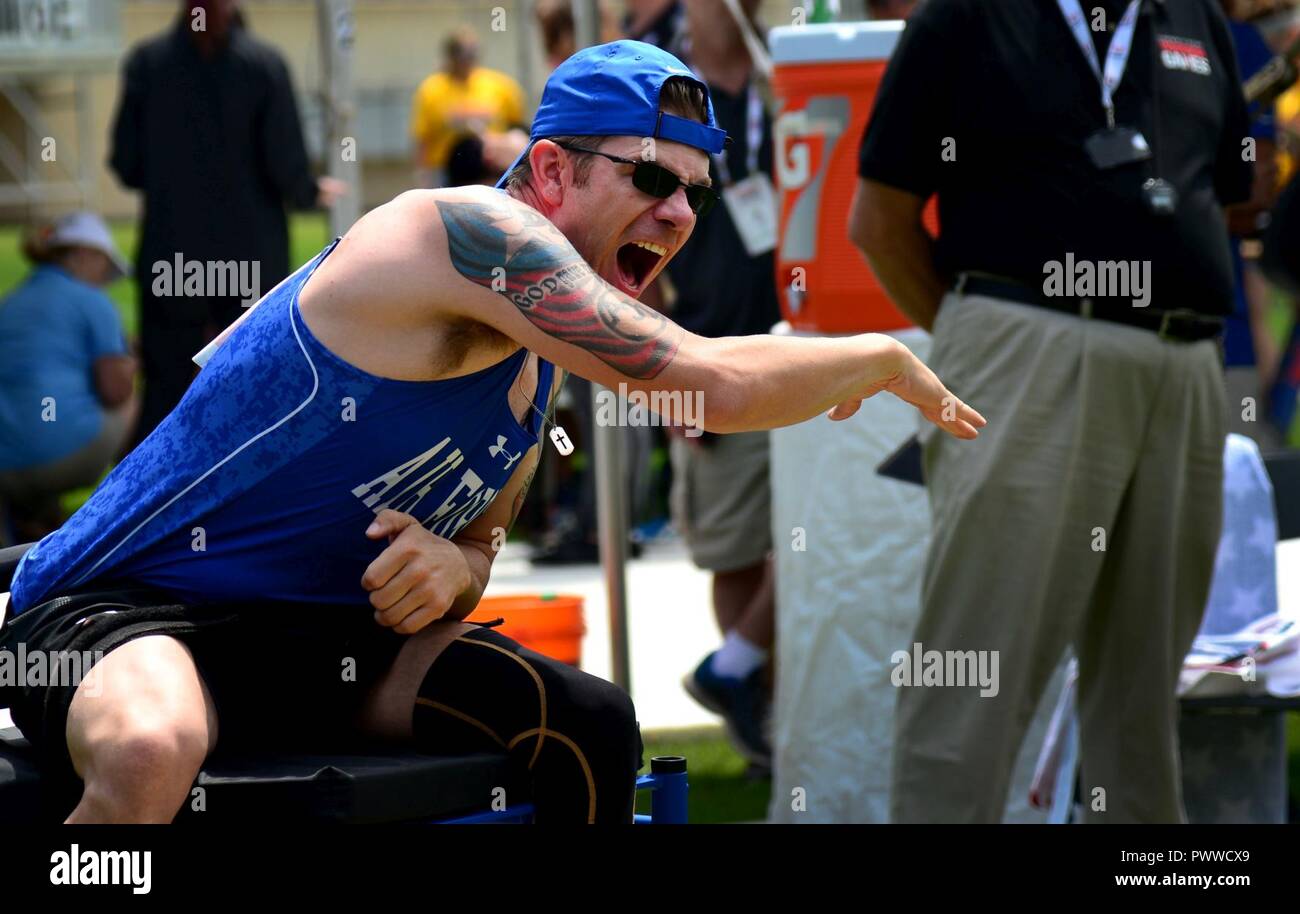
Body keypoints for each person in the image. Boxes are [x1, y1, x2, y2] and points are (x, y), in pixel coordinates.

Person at [0, 40, 982, 825]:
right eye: (650, 178)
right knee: (147, 751)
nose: (678, 213)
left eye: (694, 189)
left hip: (321, 645)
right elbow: (707, 383)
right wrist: (884, 358)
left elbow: (479, 545)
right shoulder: (472, 237)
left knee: (586, 720)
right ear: (550, 169)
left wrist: (452, 567)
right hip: (127, 608)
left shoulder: (540, 350)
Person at [850, 0, 1252, 823]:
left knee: (1144, 697)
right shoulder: (963, 18)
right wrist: (985, 344)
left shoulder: (1194, 18)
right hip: (1026, 348)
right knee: (974, 672)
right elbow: (879, 222)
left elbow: (1229, 193)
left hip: (1183, 363)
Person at [109, 0, 344, 452]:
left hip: (172, 253)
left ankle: (148, 499)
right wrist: (307, 191)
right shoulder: (264, 65)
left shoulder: (146, 63)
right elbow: (283, 162)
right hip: (250, 253)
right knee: (253, 378)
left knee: (166, 386)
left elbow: (127, 164)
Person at [656, 0, 780, 769]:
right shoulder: (655, 80)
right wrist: (661, 372)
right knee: (735, 551)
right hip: (708, 354)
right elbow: (616, 245)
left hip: (805, 340)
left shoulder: (790, 61)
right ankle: (761, 727)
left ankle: (742, 672)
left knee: (823, 528)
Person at [0, 213, 137, 545]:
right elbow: (114, 390)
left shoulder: (10, 303)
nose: (105, 279)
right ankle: (130, 512)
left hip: (4, 468)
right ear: (85, 255)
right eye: (105, 267)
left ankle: (34, 518)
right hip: (64, 457)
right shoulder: (92, 301)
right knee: (132, 399)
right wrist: (131, 363)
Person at [410, 26, 529, 189]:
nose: (467, 59)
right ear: (450, 55)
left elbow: (517, 128)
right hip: (445, 171)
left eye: (472, 52)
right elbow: (423, 138)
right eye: (461, 53)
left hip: (489, 167)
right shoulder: (432, 89)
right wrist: (423, 174)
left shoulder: (500, 85)